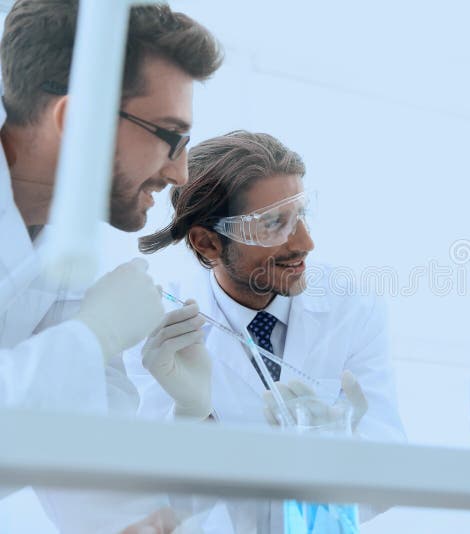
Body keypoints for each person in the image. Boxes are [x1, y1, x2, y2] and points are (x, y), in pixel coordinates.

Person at [0, 0, 222, 531]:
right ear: (76, 119)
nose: (180, 172)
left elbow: (116, 509)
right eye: (170, 136)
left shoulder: (62, 258)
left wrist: (190, 415)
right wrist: (93, 335)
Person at [126, 130, 406, 532]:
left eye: (301, 216)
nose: (306, 243)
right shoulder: (158, 336)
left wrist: (337, 444)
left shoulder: (352, 308)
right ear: (207, 243)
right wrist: (193, 420)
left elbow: (392, 468)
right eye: (274, 224)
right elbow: (159, 508)